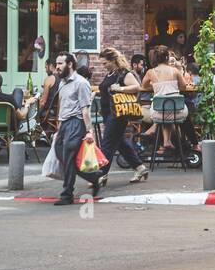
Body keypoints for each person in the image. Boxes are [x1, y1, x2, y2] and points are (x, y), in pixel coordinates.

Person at [51, 52, 99, 205]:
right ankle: (93, 177)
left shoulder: (81, 83)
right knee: (63, 156)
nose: (57, 67)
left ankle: (67, 194)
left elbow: (85, 110)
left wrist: (89, 131)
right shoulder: (62, 82)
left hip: (76, 123)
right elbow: (62, 106)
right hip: (64, 123)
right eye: (57, 64)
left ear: (70, 64)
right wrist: (59, 125)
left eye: (60, 63)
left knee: (69, 156)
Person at [97, 47, 149, 183]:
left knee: (107, 143)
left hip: (118, 114)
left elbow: (137, 87)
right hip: (108, 113)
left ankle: (101, 174)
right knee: (120, 143)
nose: (103, 66)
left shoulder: (123, 73)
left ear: (113, 60)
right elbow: (106, 89)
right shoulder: (110, 73)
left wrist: (120, 88)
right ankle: (140, 167)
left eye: (104, 63)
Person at [141, 47, 187, 159]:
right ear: (167, 57)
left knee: (164, 111)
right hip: (178, 111)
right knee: (169, 110)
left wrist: (155, 85)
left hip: (158, 113)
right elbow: (183, 86)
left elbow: (144, 86)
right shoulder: (175, 71)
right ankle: (167, 141)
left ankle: (157, 130)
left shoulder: (150, 72)